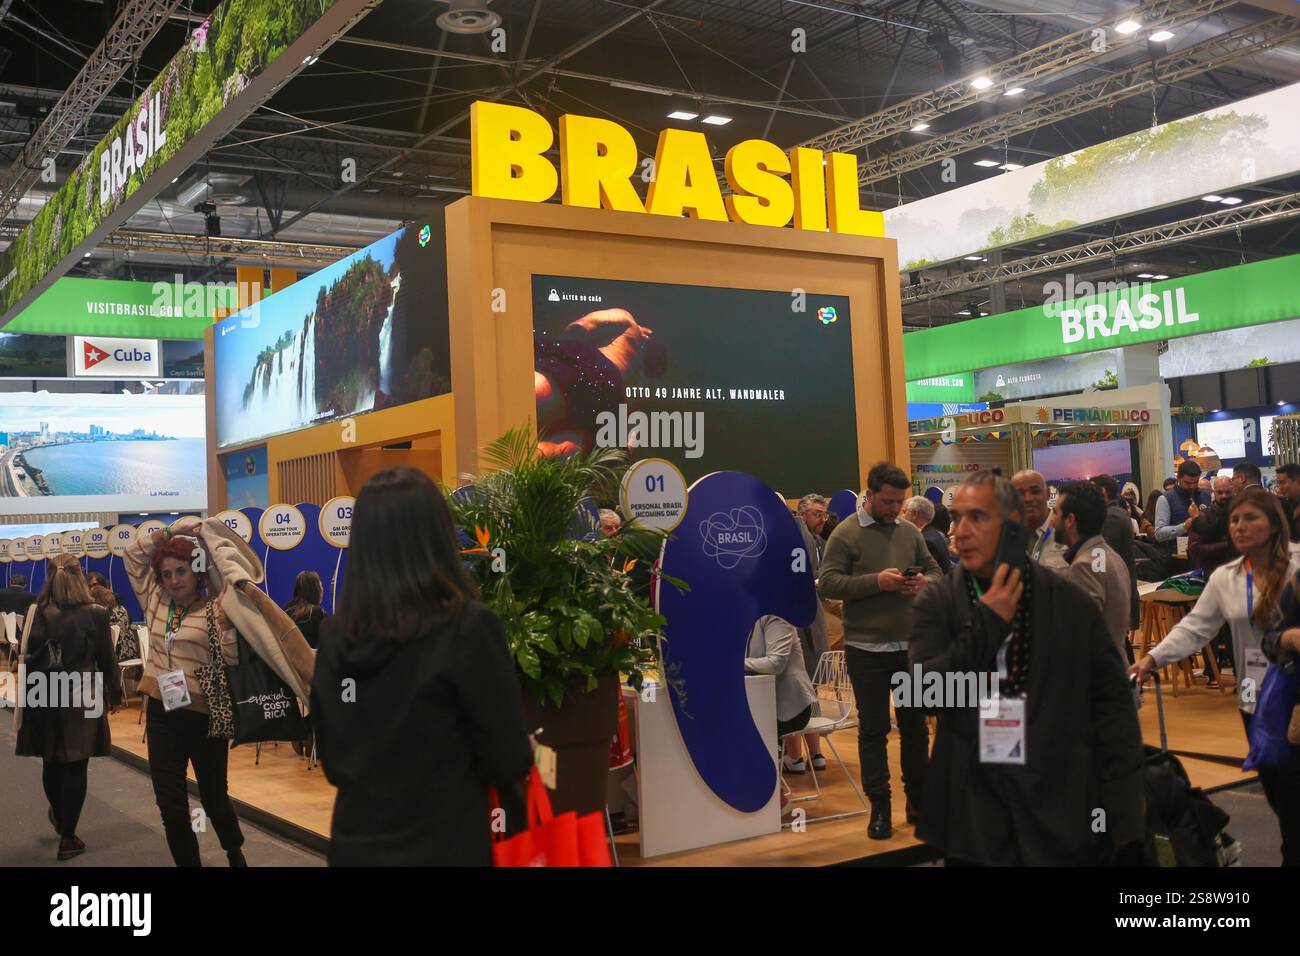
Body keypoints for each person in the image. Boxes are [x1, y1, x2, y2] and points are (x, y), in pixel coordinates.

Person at [910, 471, 1145, 865]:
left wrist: (1124, 814)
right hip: (974, 801)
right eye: (956, 517)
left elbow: (1113, 709)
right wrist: (986, 625)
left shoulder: (1068, 601)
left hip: (1059, 798)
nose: (960, 531)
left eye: (977, 518)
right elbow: (920, 694)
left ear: (1013, 524)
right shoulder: (938, 600)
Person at [311, 467, 533, 866]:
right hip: (448, 847)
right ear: (438, 536)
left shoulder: (334, 638)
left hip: (357, 849)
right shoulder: (469, 627)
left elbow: (332, 760)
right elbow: (507, 758)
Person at [124, 518, 312, 867]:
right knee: (170, 802)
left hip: (205, 717)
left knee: (213, 797)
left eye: (180, 571)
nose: (173, 580)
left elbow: (231, 660)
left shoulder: (215, 608)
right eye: (166, 574)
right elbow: (131, 554)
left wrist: (227, 623)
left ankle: (232, 848)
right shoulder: (154, 600)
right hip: (161, 714)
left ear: (196, 571)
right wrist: (171, 530)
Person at [1134, 488, 1300, 865]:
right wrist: (1151, 659)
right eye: (1235, 520)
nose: (1240, 526)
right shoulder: (1227, 576)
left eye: (1251, 518)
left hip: (1296, 700)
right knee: (1279, 797)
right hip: (1255, 700)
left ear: (1275, 524)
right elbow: (1196, 627)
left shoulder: (1296, 566)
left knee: (1294, 808)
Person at [817, 462, 942, 839]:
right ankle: (880, 808)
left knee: (916, 730)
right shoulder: (845, 533)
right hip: (865, 649)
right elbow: (829, 584)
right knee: (873, 732)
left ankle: (918, 802)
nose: (894, 509)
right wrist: (877, 582)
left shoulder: (910, 532)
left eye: (900, 502)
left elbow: (937, 571)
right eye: (888, 501)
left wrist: (923, 581)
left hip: (911, 648)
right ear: (870, 495)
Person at [14, 555, 121, 861]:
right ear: (81, 577)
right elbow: (105, 659)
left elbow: (26, 651)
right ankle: (68, 836)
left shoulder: (35, 611)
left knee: (51, 760)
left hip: (42, 694)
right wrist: (114, 694)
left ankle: (61, 818)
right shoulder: (97, 613)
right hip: (82, 693)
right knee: (76, 764)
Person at [745, 614, 817, 815]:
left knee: (747, 735)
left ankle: (777, 802)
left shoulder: (777, 619)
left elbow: (775, 663)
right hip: (766, 701)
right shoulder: (748, 618)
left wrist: (731, 662)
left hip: (792, 706)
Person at [1052, 481, 1132, 662]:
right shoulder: (1105, 554)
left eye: (1056, 513)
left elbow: (1084, 633)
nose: (1051, 521)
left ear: (1070, 520)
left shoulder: (1087, 565)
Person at [789, 493, 831, 773]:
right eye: (818, 514)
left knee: (802, 688)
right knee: (799, 686)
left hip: (810, 618)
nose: (823, 519)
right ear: (802, 514)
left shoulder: (817, 540)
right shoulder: (797, 534)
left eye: (825, 514)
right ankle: (805, 754)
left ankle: (808, 754)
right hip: (800, 620)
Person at [1091, 473, 1140, 636]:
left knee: (1116, 648)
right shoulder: (1117, 513)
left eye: (1092, 492)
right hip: (1121, 590)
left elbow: (1102, 558)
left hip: (1115, 595)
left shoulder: (1109, 517)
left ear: (1103, 492)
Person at [1011, 469, 1068, 572]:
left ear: (1048, 494)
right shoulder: (1006, 535)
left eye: (1035, 491)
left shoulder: (1066, 531)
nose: (1028, 498)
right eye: (1020, 493)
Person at [1154, 460, 1211, 554]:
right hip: (1177, 558)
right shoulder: (1165, 499)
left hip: (1204, 554)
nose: (1192, 486)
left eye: (1195, 482)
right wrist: (1184, 526)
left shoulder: (1205, 495)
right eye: (1188, 483)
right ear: (1178, 478)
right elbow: (1159, 534)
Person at [1189, 475, 1236, 574]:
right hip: (1212, 572)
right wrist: (1229, 545)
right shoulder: (1203, 516)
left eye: (1227, 492)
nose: (1224, 496)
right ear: (1214, 492)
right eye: (1220, 492)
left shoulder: (1240, 513)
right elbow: (1195, 549)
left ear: (1233, 491)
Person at [903, 495, 951, 573]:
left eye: (904, 512)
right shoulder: (934, 534)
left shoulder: (927, 541)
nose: (902, 517)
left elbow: (919, 573)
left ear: (915, 514)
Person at [284, 570, 327, 650]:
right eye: (320, 586)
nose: (322, 589)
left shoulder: (284, 611)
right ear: (315, 590)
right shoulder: (318, 613)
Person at [1276, 462, 1300, 538]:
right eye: (1278, 483)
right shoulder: (1286, 504)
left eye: (1282, 483)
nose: (1279, 487)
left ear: (1298, 481)